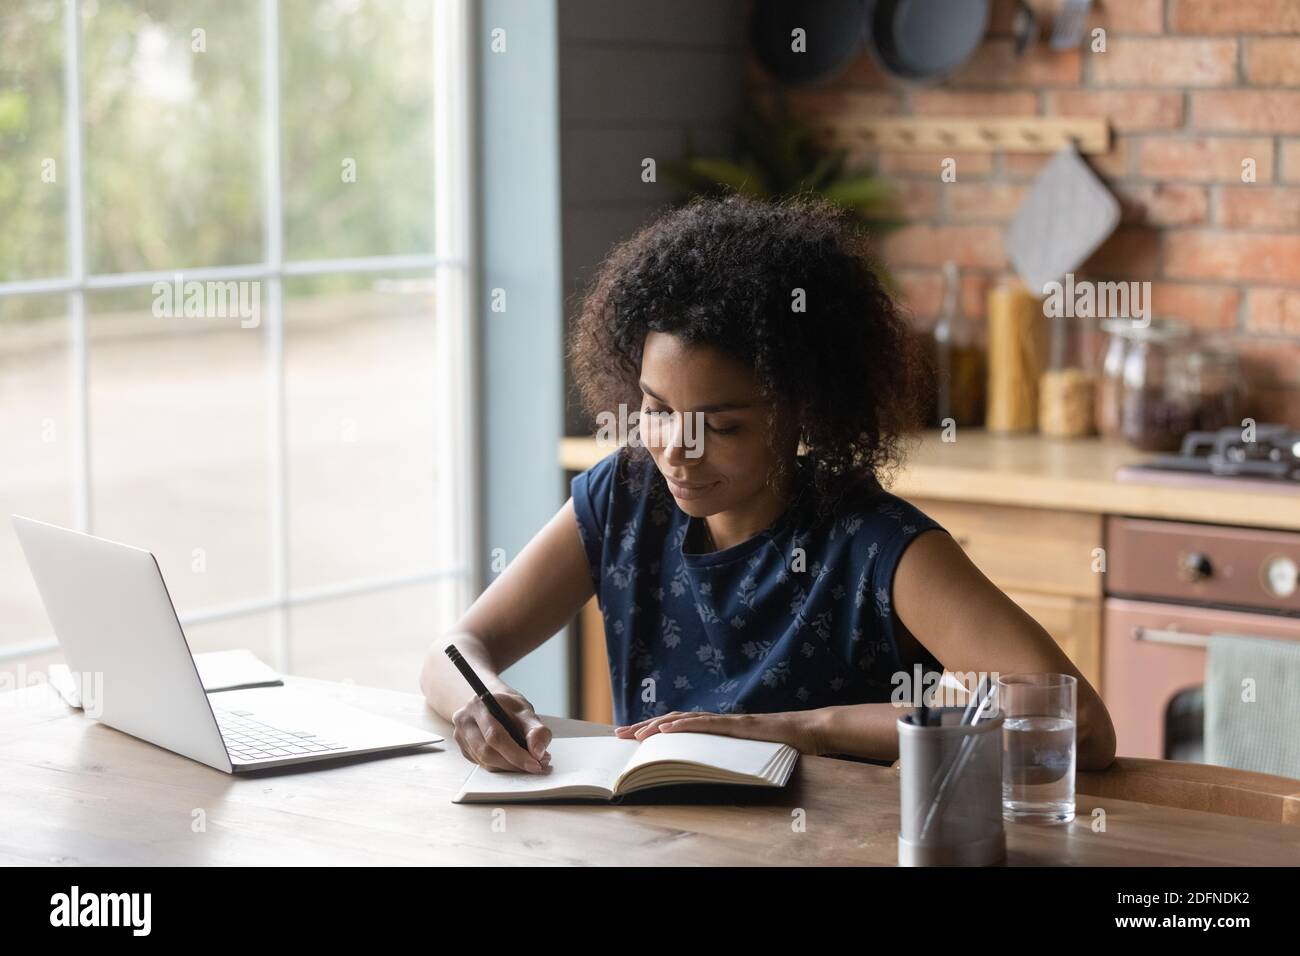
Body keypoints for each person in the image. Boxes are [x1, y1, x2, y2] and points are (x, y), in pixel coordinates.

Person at [420, 195, 1116, 775]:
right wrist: (479, 701)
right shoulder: (624, 497)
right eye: (658, 412)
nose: (677, 454)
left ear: (804, 411)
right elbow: (455, 650)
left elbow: (1076, 723)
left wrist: (807, 728)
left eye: (721, 427)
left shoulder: (876, 546)